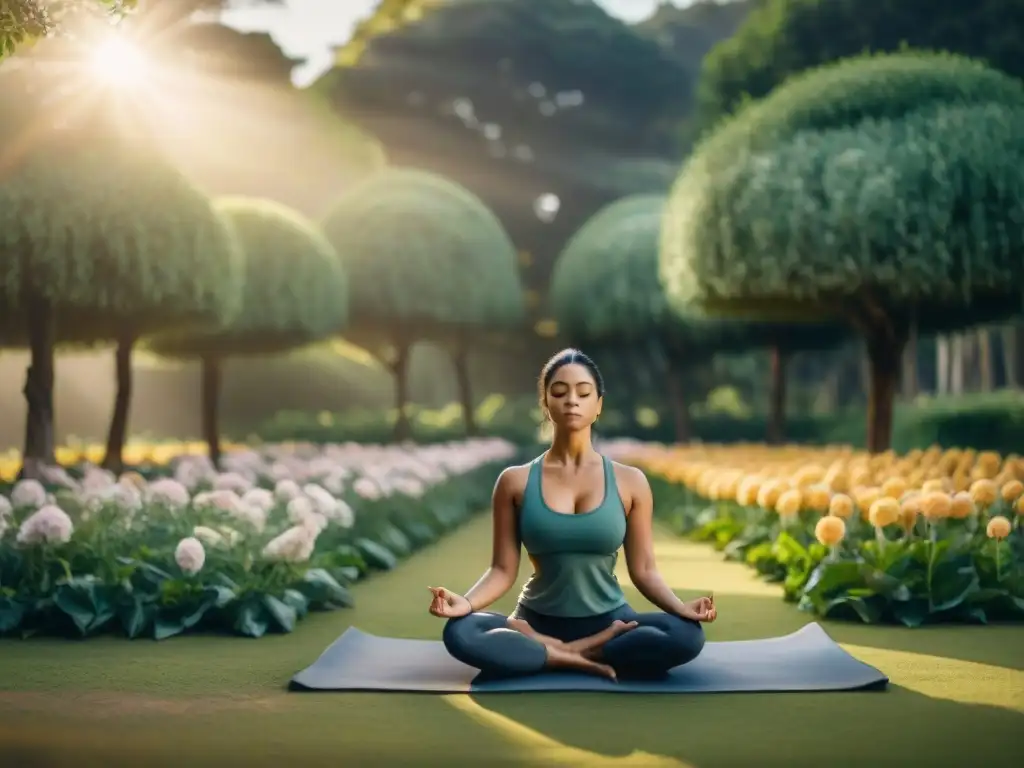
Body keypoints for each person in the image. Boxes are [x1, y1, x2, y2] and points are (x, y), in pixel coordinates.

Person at [428, 348, 716, 681]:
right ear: (545, 403)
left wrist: (680, 608)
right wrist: (464, 604)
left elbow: (645, 569)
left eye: (583, 392)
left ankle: (552, 653)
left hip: (611, 622)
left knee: (687, 635)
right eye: (560, 392)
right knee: (460, 631)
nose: (571, 401)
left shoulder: (630, 481)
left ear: (599, 405)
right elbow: (502, 569)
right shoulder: (514, 481)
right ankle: (582, 653)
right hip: (534, 621)